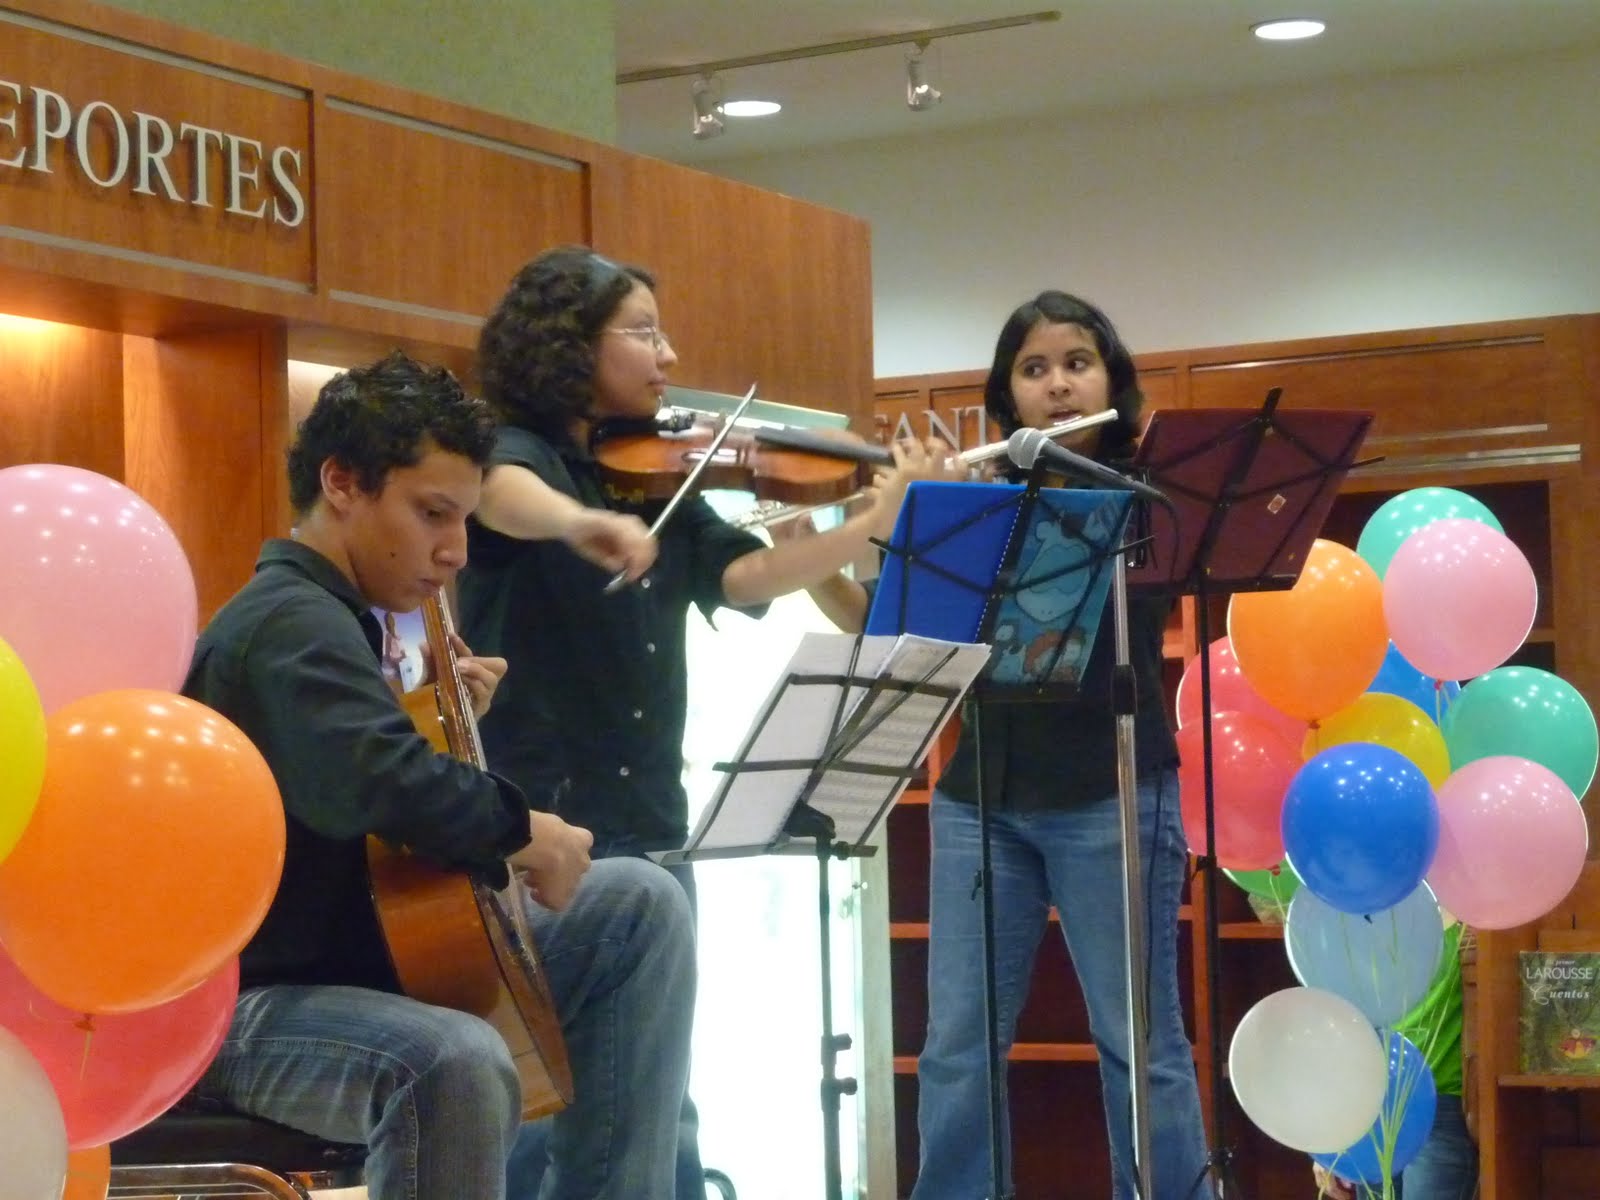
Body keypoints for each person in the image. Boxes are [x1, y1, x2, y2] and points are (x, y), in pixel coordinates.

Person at [455, 244, 964, 1198]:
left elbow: (746, 575)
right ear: (572, 345)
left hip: (650, 822)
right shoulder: (519, 456)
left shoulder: (656, 478)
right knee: (531, 1106)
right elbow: (500, 495)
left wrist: (872, 525)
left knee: (654, 1103)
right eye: (643, 331)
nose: (668, 353)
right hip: (544, 828)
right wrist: (579, 522)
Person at [182, 350, 696, 1200]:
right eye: (432, 515)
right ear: (341, 482)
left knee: (636, 905)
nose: (455, 551)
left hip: (370, 966)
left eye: (463, 519)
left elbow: (356, 795)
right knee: (451, 1059)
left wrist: (447, 725)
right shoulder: (291, 621)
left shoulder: (350, 621)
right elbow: (381, 780)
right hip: (253, 1009)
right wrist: (525, 830)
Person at [801, 290, 1212, 1199]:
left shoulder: (1149, 503)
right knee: (956, 1042)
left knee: (1141, 1042)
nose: (1059, 385)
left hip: (1114, 795)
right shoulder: (973, 507)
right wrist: (812, 554)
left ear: (1111, 380)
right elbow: (892, 635)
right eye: (1035, 370)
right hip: (981, 801)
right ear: (1009, 397)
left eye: (1077, 363)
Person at [1313, 923, 1479, 1200]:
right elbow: (1340, 1030)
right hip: (1370, 1108)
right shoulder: (1362, 927)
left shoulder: (1470, 927)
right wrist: (1329, 1143)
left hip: (1440, 1106)